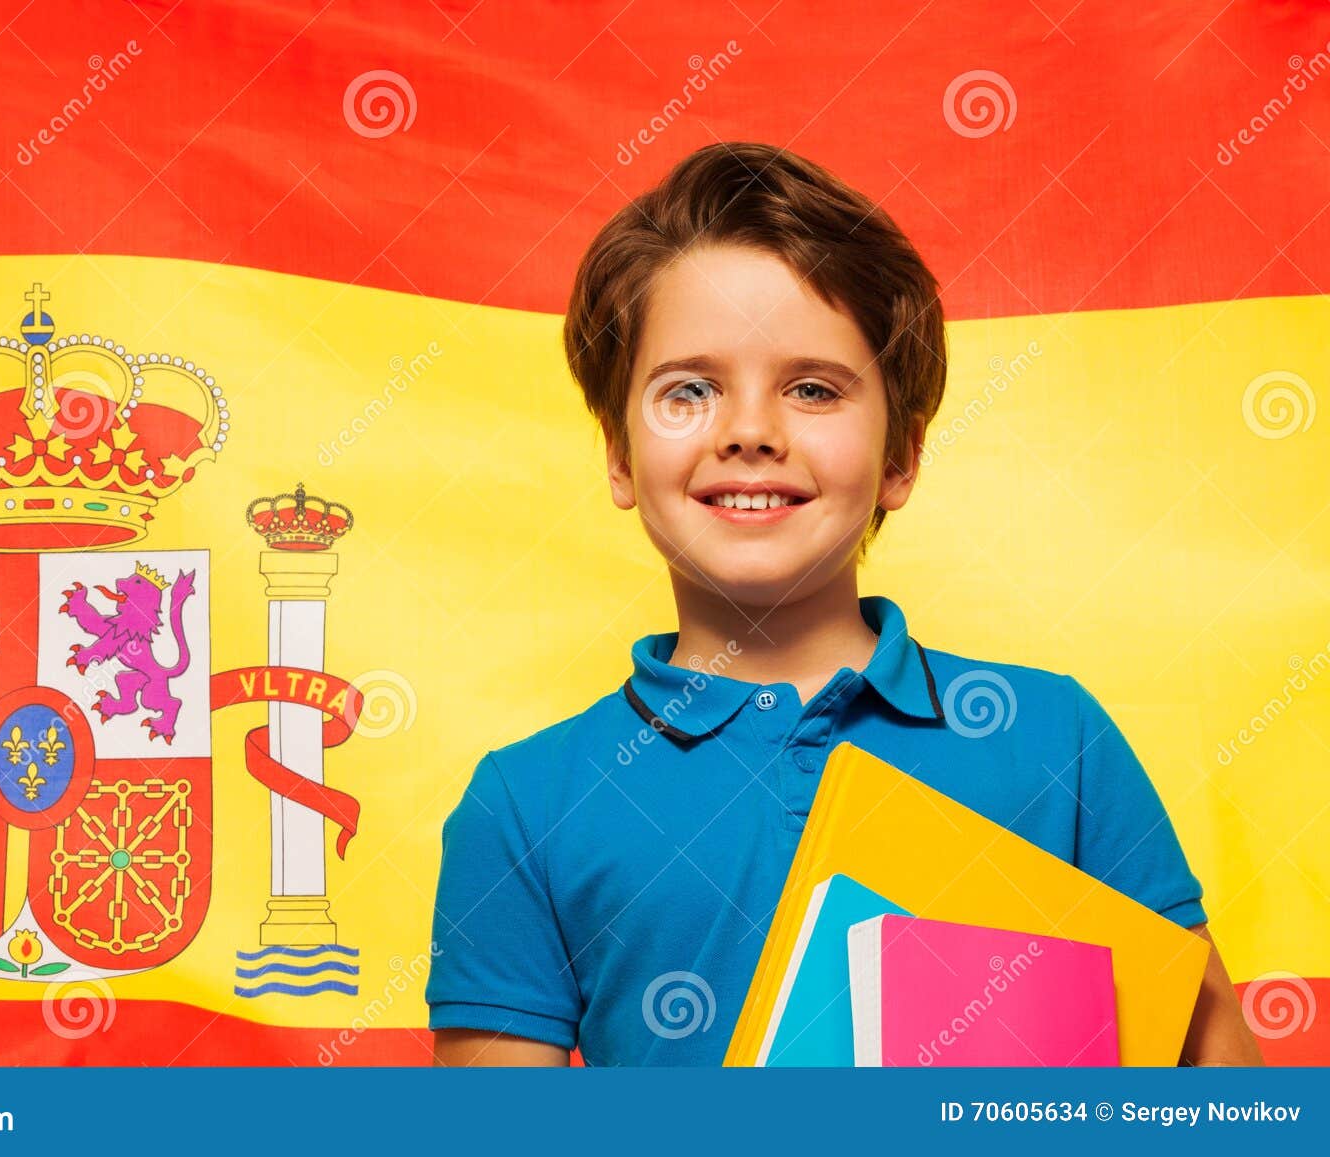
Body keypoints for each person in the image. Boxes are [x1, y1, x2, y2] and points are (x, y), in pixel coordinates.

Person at [425, 141, 1262, 1067]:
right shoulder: (524, 804)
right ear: (620, 456)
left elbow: (1219, 1086)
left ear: (899, 458)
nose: (750, 431)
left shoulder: (1056, 740)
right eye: (689, 390)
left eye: (813, 388)